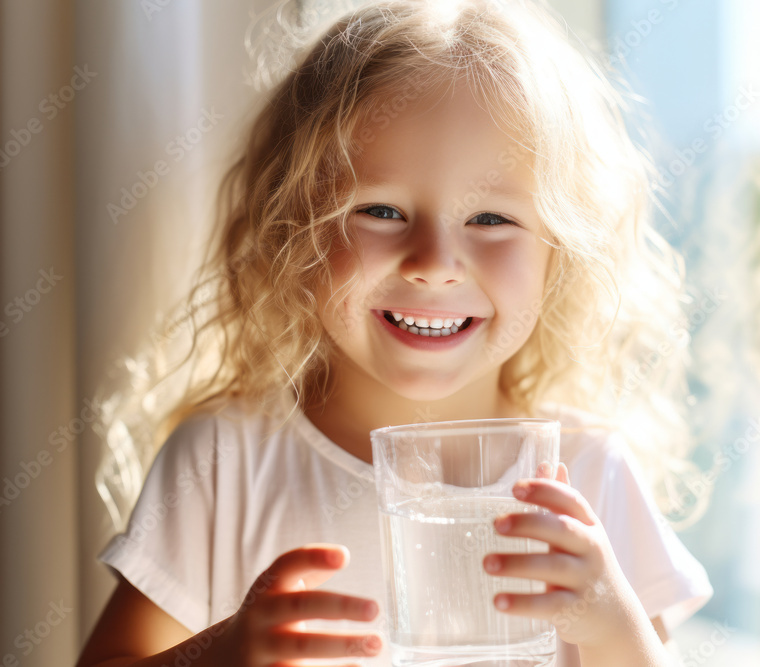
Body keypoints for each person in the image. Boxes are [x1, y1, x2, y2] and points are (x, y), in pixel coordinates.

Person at [76, 1, 713, 665]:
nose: (435, 262)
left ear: (563, 252)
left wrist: (613, 624)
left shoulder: (588, 474)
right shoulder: (223, 462)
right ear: (294, 228)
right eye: (380, 210)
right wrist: (216, 654)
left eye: (492, 218)